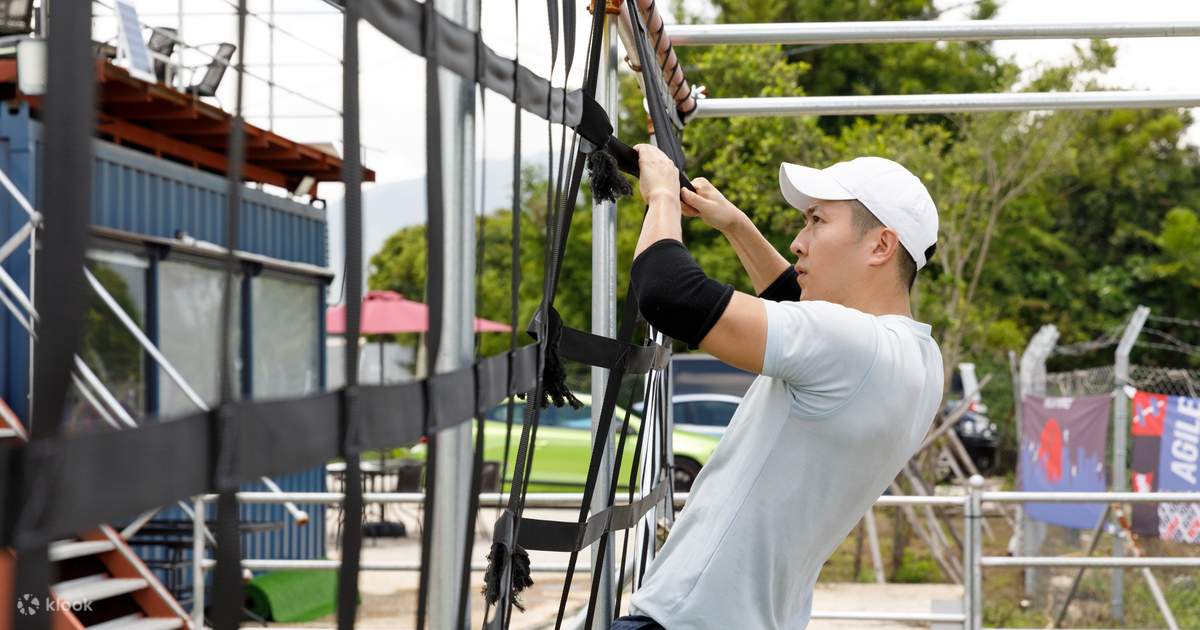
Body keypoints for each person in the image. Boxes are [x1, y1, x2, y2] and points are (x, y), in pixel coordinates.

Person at [613, 144, 945, 630]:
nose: (798, 242)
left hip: (686, 622)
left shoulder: (852, 345)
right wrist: (736, 226)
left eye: (816, 221)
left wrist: (661, 196)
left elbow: (669, 295)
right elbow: (798, 304)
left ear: (881, 245)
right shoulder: (919, 359)